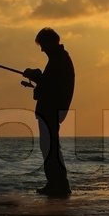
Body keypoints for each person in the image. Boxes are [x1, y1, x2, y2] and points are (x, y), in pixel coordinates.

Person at [23, 28, 75, 197]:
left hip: (51, 110)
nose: (42, 49)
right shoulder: (59, 58)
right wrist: (37, 78)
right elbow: (50, 84)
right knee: (49, 147)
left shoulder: (59, 59)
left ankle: (58, 185)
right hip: (51, 109)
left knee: (49, 147)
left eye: (43, 45)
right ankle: (56, 183)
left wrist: (36, 76)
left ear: (50, 42)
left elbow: (52, 86)